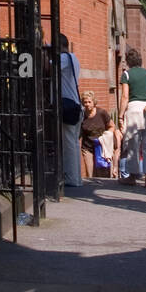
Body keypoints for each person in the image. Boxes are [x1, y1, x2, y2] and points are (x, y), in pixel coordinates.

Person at [119, 47, 146, 187]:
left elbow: (125, 96)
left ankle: (132, 177)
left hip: (134, 110)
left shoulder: (127, 74)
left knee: (133, 145)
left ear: (128, 61)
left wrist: (120, 115)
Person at [59, 33, 82, 188]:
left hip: (68, 105)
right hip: (75, 105)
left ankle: (71, 178)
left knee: (69, 144)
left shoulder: (64, 58)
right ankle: (76, 177)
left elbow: (47, 66)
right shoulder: (73, 58)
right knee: (73, 143)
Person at [80, 91, 119, 179]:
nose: (87, 104)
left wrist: (106, 136)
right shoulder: (81, 115)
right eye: (85, 102)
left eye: (89, 102)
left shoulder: (102, 113)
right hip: (87, 147)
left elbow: (112, 126)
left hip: (102, 146)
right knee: (90, 174)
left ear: (94, 102)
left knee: (103, 172)